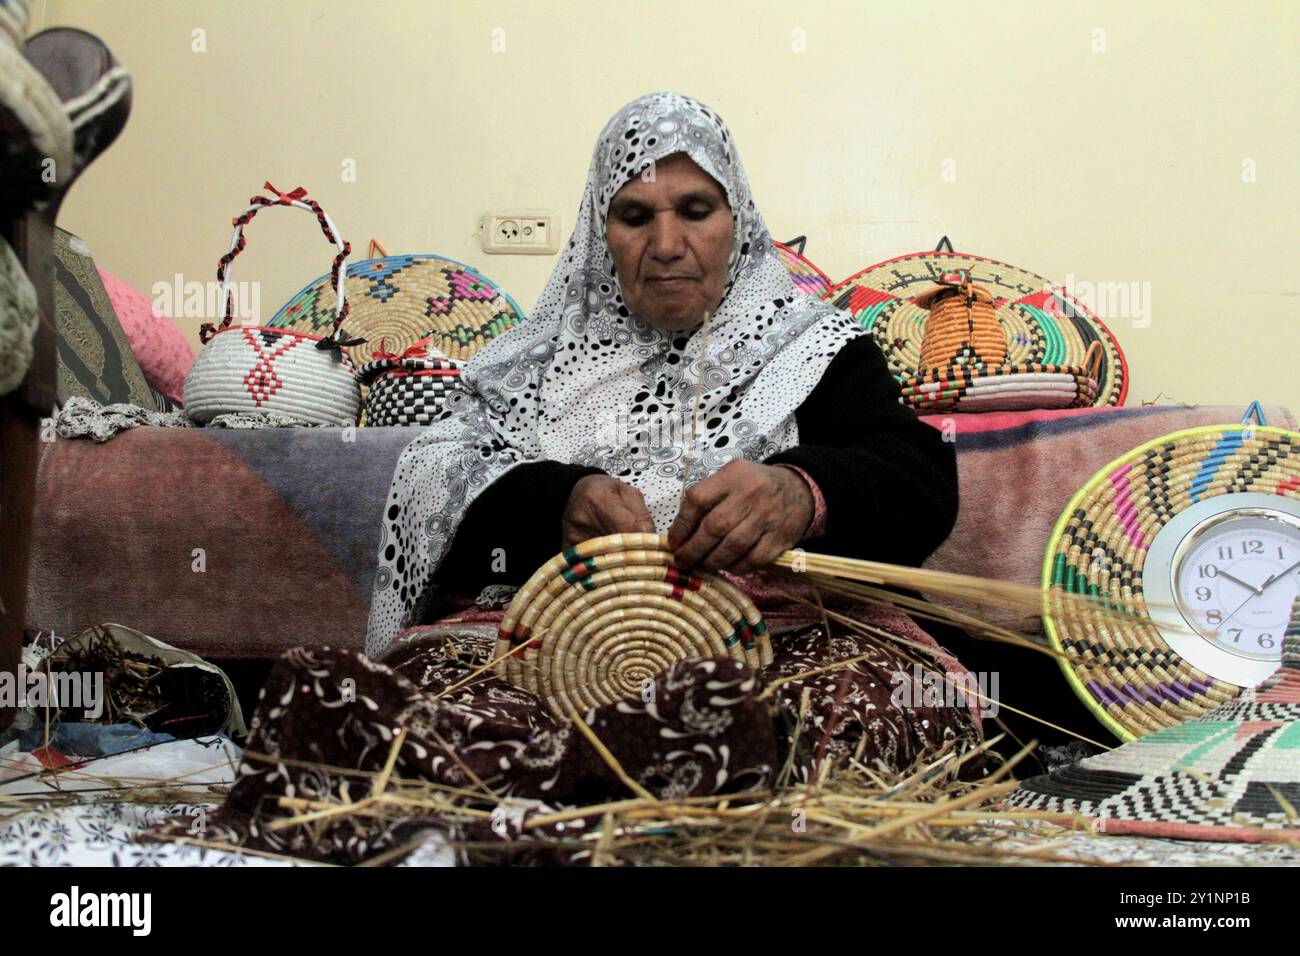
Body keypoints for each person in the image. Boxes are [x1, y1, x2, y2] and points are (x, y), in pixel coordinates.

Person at [203, 95, 986, 864]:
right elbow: (437, 473)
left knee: (878, 706)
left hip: (774, 643)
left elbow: (917, 475)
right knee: (410, 701)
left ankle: (579, 792)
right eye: (636, 216)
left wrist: (799, 491)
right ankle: (665, 783)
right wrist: (556, 499)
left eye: (696, 209)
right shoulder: (529, 362)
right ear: (598, 232)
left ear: (739, 219)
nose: (669, 243)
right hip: (540, 644)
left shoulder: (812, 346)